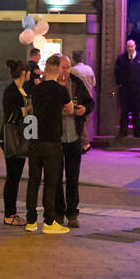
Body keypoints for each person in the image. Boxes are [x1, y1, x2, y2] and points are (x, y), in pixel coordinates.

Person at [24, 53, 73, 234]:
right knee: (51, 183)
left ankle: (30, 222)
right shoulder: (61, 90)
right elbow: (70, 109)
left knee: (33, 181)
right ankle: (49, 222)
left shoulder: (37, 89)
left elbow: (31, 108)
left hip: (35, 139)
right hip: (52, 141)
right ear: (59, 69)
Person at [55, 54, 94, 227]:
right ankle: (57, 212)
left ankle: (72, 213)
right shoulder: (50, 84)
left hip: (74, 137)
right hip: (55, 137)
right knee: (55, 177)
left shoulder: (75, 82)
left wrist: (84, 109)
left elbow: (89, 102)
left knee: (73, 176)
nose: (66, 70)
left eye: (68, 67)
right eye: (63, 67)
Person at [0, 58, 29, 225]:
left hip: (20, 136)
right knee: (12, 176)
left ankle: (11, 212)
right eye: (27, 72)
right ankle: (9, 214)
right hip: (11, 137)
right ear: (23, 73)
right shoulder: (11, 91)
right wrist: (29, 109)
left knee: (16, 176)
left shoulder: (21, 89)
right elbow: (12, 114)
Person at [114, 39, 140, 138]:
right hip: (124, 90)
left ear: (135, 46)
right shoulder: (121, 58)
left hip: (137, 90)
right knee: (124, 112)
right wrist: (119, 83)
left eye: (131, 46)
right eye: (128, 47)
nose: (130, 48)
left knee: (136, 112)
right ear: (126, 47)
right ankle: (123, 132)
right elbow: (116, 72)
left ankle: (137, 132)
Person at [70, 49, 96, 151]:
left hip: (78, 98)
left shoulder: (73, 70)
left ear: (73, 59)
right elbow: (94, 83)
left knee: (81, 122)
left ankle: (85, 143)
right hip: (89, 97)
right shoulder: (89, 69)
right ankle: (84, 143)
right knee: (85, 121)